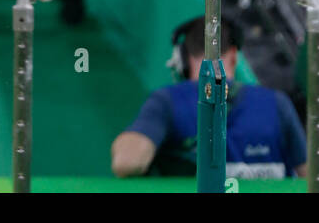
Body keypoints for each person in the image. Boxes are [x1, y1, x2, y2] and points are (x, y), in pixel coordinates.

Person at [111, 16, 307, 178]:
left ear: (184, 60)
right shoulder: (276, 103)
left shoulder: (167, 101)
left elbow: (127, 163)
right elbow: (310, 176)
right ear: (233, 56)